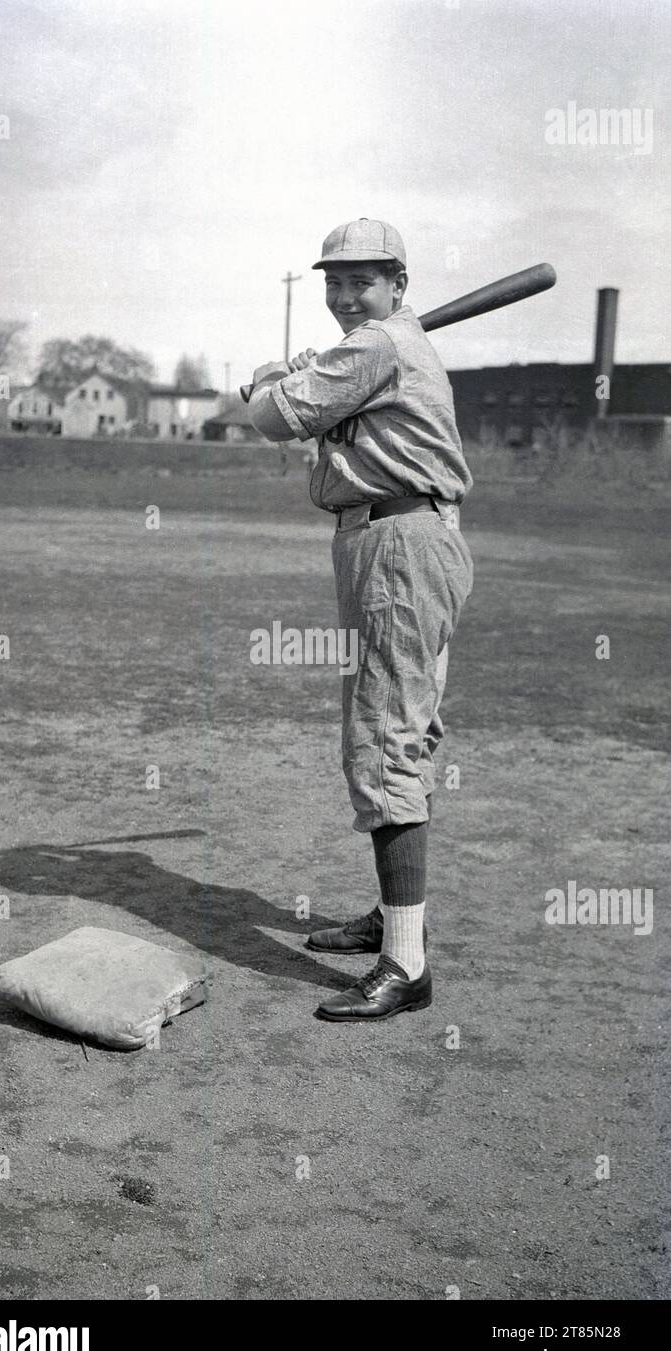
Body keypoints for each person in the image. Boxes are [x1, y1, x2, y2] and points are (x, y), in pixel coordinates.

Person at [247, 218, 473, 1022]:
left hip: (398, 544)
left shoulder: (376, 346)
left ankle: (405, 966)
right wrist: (319, 372)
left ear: (397, 287)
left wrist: (270, 378)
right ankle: (395, 915)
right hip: (392, 540)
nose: (346, 295)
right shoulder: (377, 346)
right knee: (397, 732)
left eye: (363, 282)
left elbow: (273, 418)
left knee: (382, 742)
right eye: (334, 282)